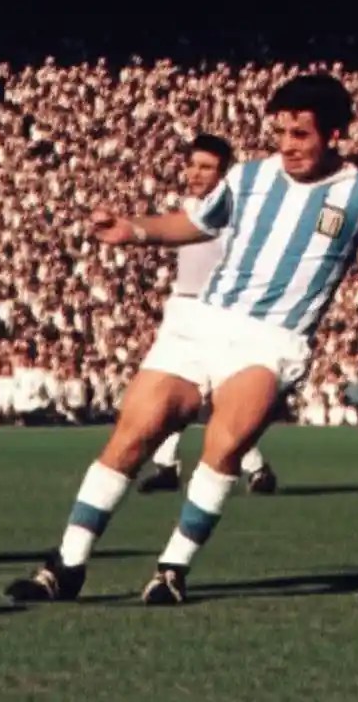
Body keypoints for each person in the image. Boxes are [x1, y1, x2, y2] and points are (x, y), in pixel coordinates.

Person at [6, 74, 358, 605]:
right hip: (202, 323)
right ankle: (66, 565)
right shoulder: (250, 176)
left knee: (224, 445)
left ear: (334, 133)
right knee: (133, 434)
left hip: (272, 340)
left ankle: (171, 570)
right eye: (281, 132)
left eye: (301, 134)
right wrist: (135, 230)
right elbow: (197, 222)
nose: (287, 144)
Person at [137, 134, 277, 495]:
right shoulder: (187, 206)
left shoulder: (235, 214)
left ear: (224, 173)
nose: (197, 174)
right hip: (183, 305)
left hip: (216, 310)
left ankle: (255, 466)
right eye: (193, 165)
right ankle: (168, 465)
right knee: (170, 390)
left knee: (214, 397)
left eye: (207, 168)